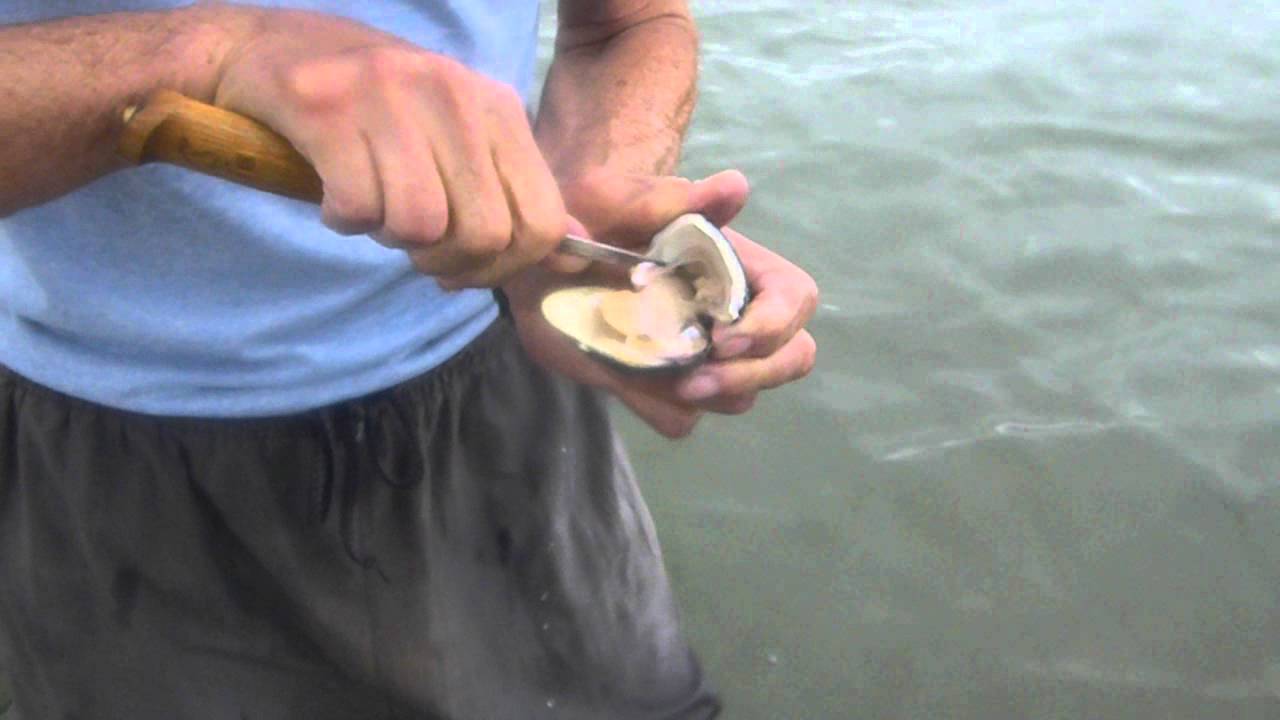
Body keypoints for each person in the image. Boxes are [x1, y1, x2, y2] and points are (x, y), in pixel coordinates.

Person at [0, 1, 818, 718]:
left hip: (503, 399)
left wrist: (589, 209)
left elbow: (626, 23)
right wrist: (206, 51)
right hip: (109, 462)